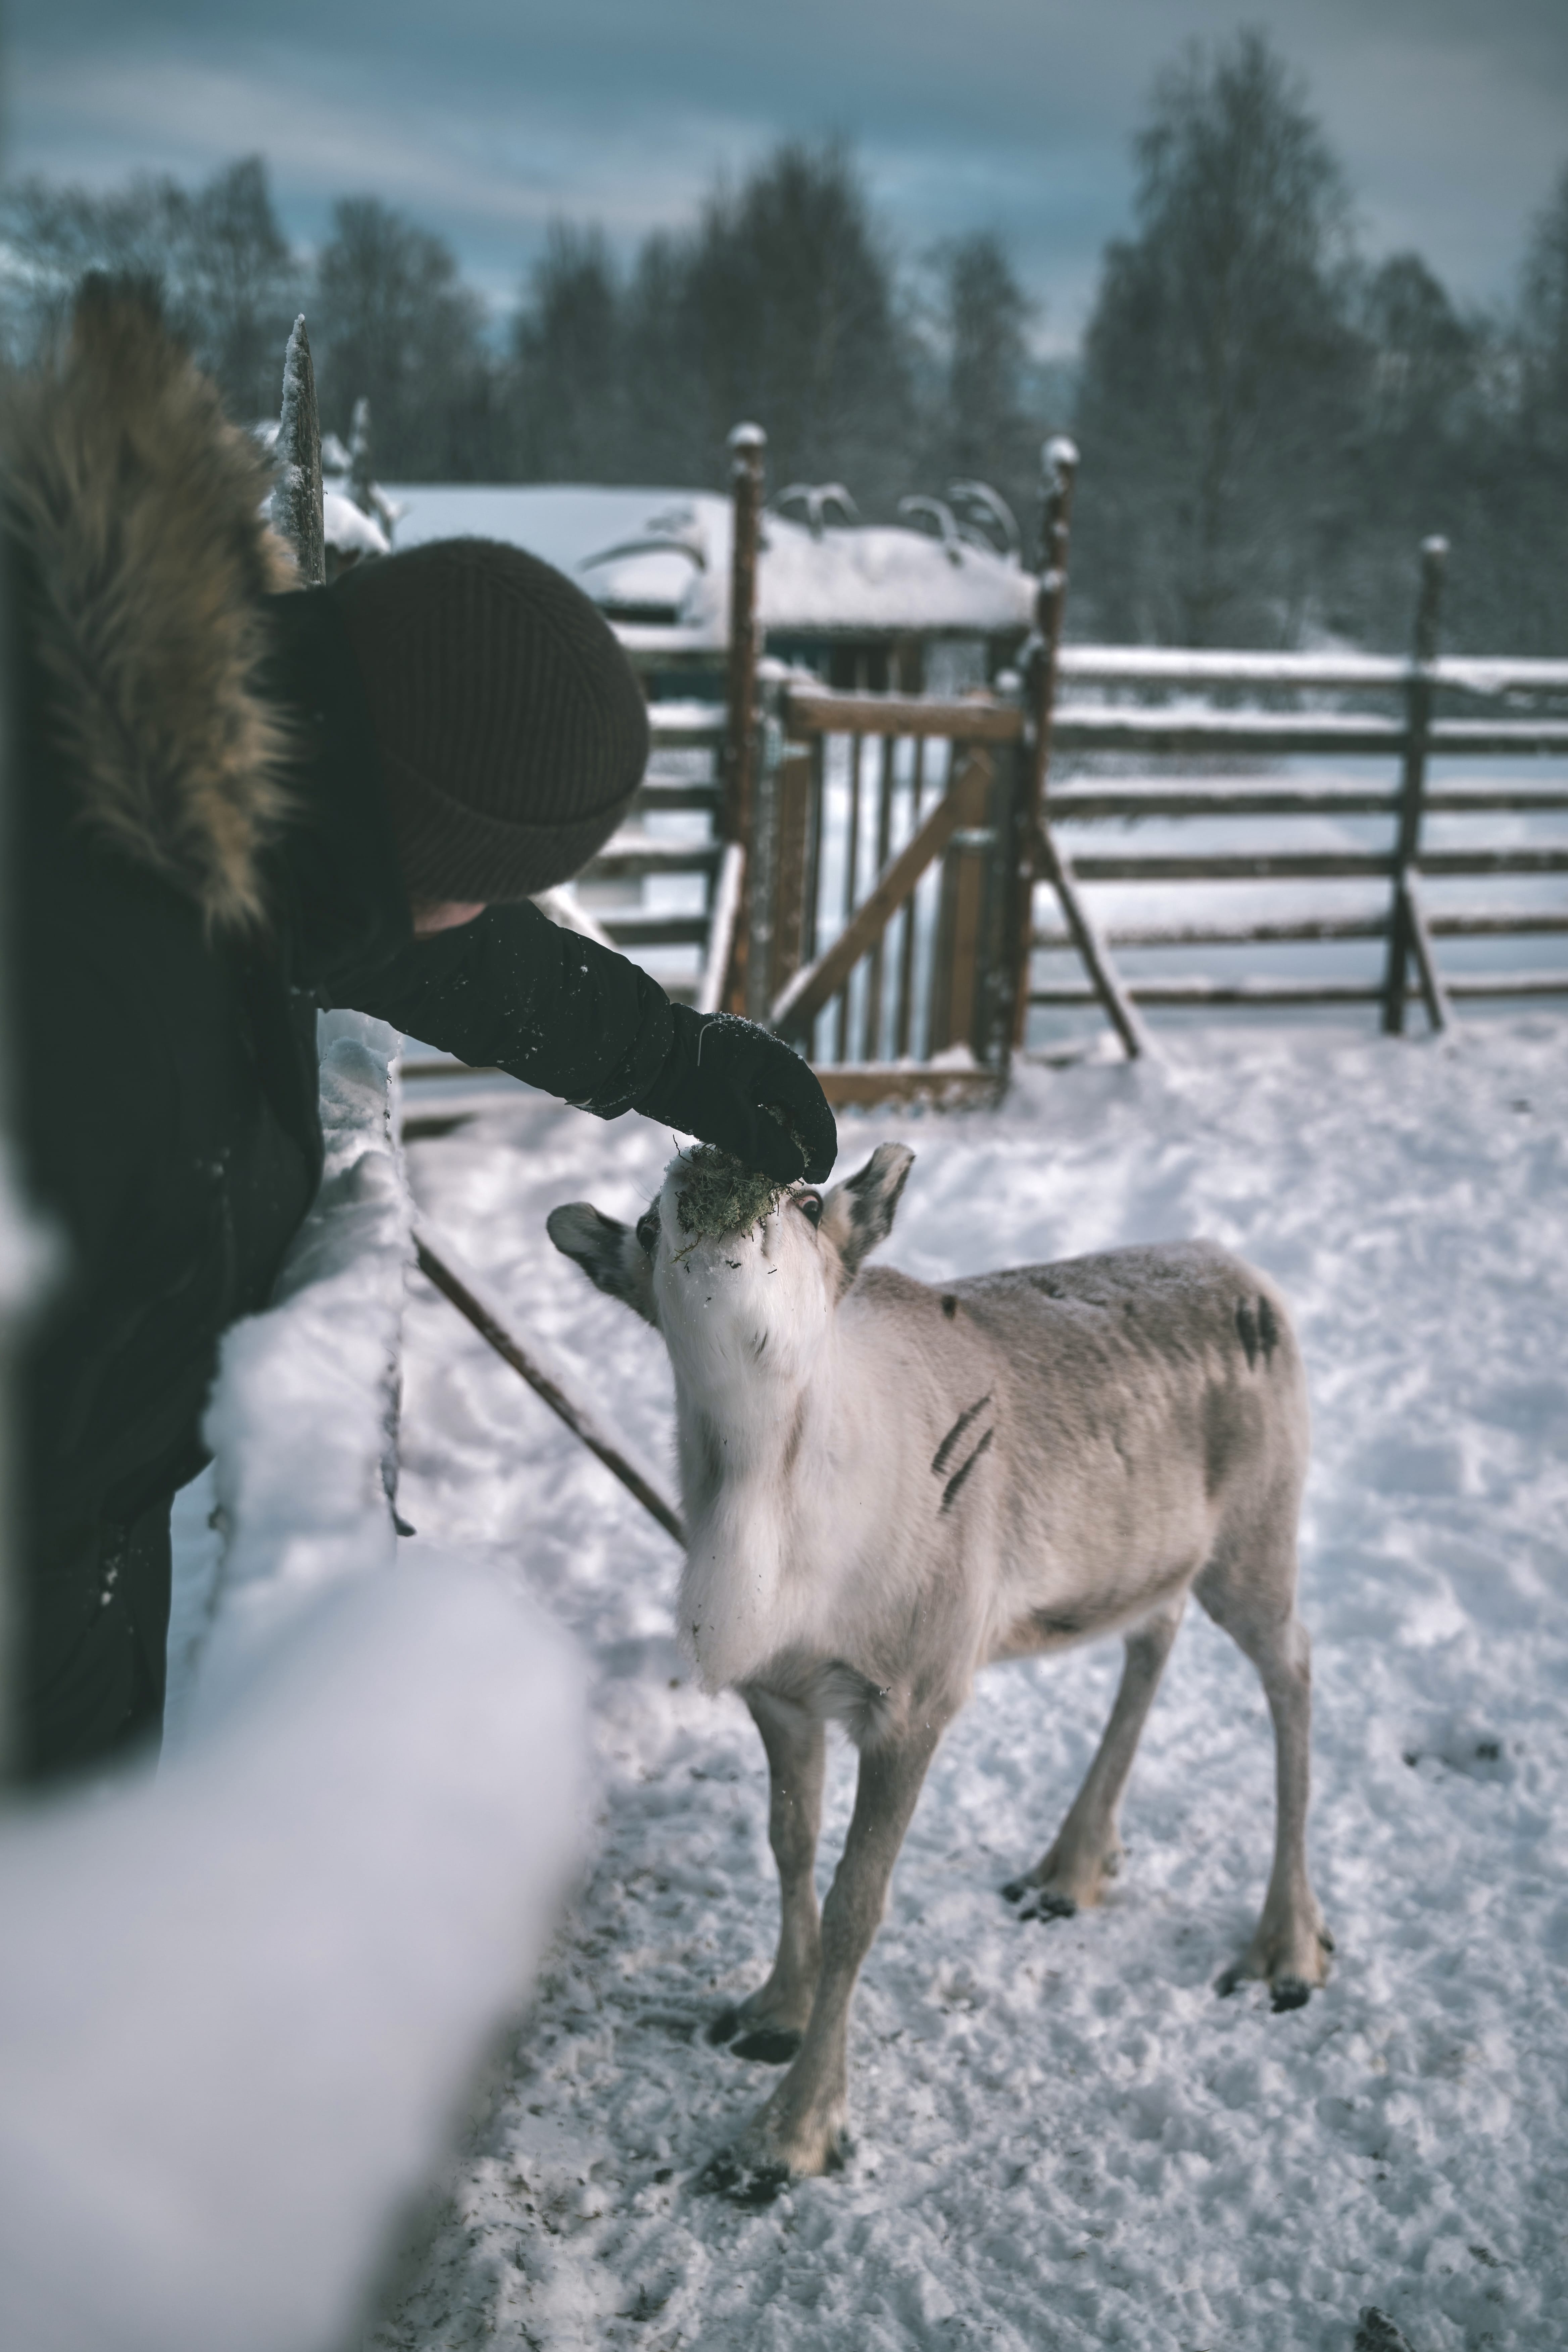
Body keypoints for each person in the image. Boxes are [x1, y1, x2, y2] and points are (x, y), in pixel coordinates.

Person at [8, 281, 836, 1784]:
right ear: (395, 835)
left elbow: (408, 939)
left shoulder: (223, 754)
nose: (466, 927)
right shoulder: (81, 969)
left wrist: (663, 1058)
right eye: (472, 888)